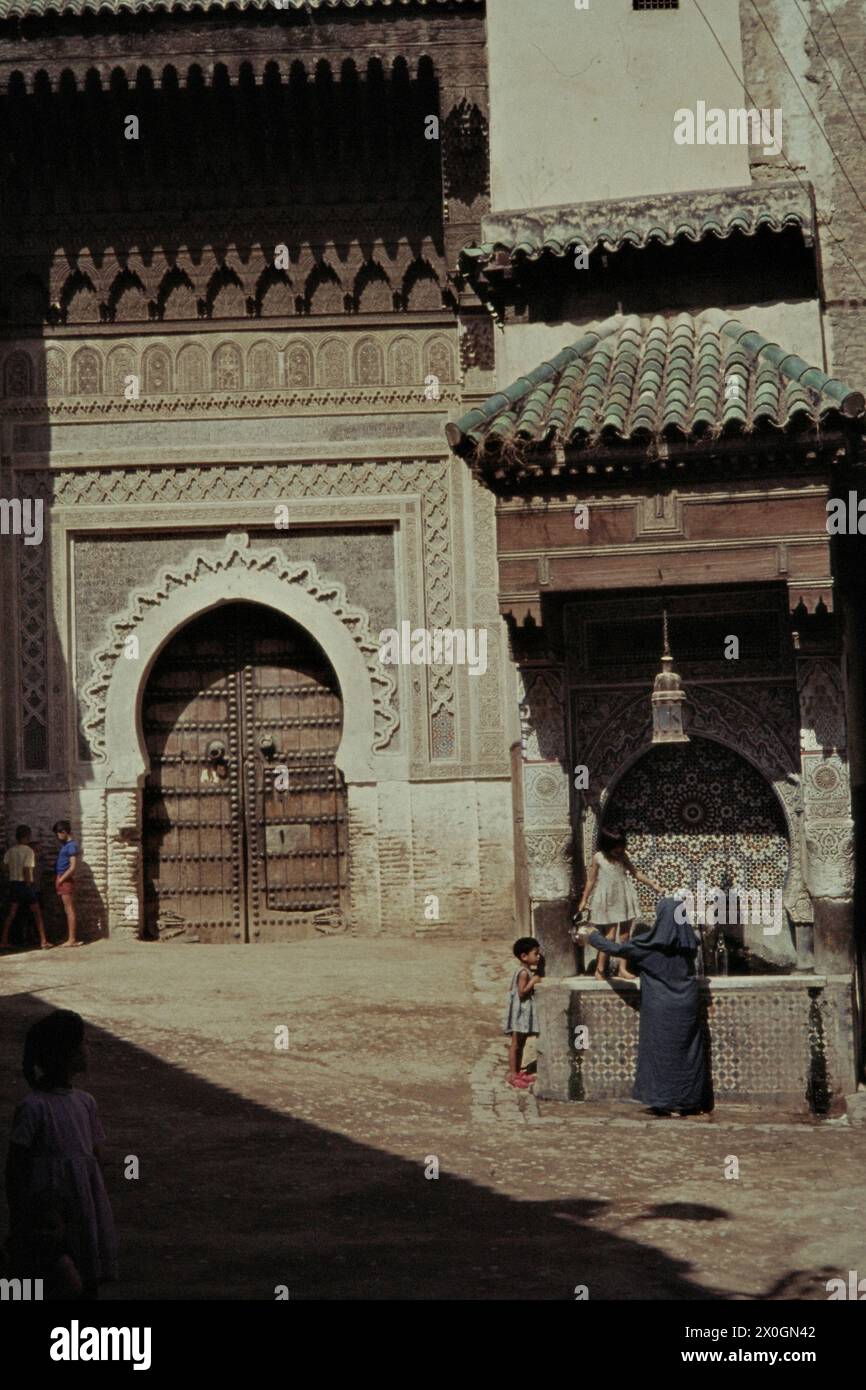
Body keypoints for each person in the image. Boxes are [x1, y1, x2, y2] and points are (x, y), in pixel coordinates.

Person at [5, 1009, 117, 1298]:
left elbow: (94, 1153)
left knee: (78, 1267)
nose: (88, 1049)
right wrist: (22, 1215)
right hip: (50, 1210)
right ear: (68, 1055)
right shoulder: (35, 1108)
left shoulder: (85, 1102)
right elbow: (16, 1166)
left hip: (78, 1202)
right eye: (84, 1043)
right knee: (56, 1269)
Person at [576, 896, 711, 1116]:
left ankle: (666, 1102)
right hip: (687, 1005)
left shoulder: (649, 947)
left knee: (662, 1054)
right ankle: (689, 1101)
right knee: (687, 1053)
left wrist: (592, 936)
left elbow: (615, 949)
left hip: (661, 1008)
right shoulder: (688, 945)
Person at [576, 825, 663, 981]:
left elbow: (635, 873)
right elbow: (591, 880)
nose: (618, 850)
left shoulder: (623, 856)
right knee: (609, 936)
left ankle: (622, 968)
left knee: (624, 936)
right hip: (608, 898)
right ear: (607, 845)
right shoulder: (598, 857)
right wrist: (584, 900)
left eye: (621, 846)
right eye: (615, 847)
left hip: (623, 896)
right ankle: (600, 969)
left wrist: (652, 884)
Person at [1, 825, 50, 951]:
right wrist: (29, 884)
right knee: (37, 913)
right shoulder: (28, 851)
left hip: (14, 884)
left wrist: (11, 875)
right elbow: (27, 869)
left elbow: (4, 866)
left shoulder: (11, 851)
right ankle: (43, 941)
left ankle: (3, 941)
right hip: (25, 885)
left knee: (11, 914)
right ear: (27, 837)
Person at [503, 937, 542, 1089]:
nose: (538, 957)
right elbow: (521, 992)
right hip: (520, 1013)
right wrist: (533, 982)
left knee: (521, 1043)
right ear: (524, 956)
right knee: (516, 1044)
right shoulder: (524, 973)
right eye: (535, 954)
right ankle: (513, 1074)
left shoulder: (525, 971)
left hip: (522, 1013)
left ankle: (518, 1071)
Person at [53, 821, 81, 948]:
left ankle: (72, 939)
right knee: (66, 909)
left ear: (64, 832)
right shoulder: (66, 846)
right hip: (62, 879)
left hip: (65, 880)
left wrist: (61, 879)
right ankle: (69, 937)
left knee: (69, 909)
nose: (58, 837)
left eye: (58, 834)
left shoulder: (71, 846)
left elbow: (73, 867)